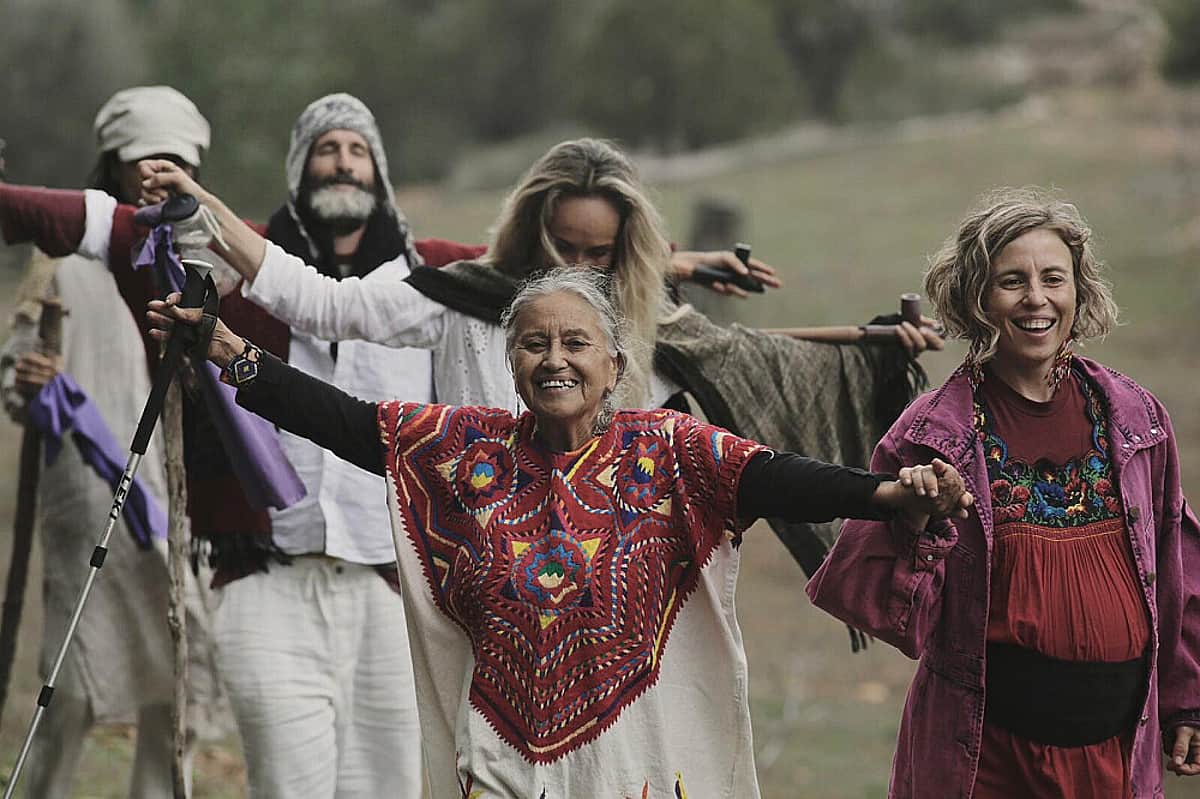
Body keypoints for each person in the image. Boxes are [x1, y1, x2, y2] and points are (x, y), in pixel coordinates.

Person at [148, 266, 971, 797]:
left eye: (576, 342)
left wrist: (890, 492)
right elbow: (347, 424)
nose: (555, 360)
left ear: (615, 364)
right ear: (512, 365)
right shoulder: (464, 449)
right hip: (504, 759)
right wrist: (224, 346)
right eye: (534, 344)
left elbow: (779, 477)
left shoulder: (672, 451)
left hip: (640, 765)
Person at [137, 137, 943, 573]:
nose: (581, 269)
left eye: (601, 254)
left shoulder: (642, 318)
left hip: (613, 570)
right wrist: (207, 215)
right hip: (479, 553)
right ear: (532, 226)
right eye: (566, 245)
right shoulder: (454, 295)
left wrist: (872, 358)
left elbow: (743, 374)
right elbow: (324, 306)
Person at [806, 188, 1200, 797]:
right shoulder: (934, 436)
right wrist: (917, 519)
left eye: (1053, 278)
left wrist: (1186, 701)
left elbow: (1178, 572)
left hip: (1114, 760)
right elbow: (869, 602)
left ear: (1079, 290)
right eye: (1011, 281)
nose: (1036, 299)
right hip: (987, 762)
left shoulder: (1136, 418)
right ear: (976, 298)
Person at [0, 85, 224, 799]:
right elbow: (18, 364)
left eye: (174, 159)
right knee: (71, 684)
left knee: (172, 677)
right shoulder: (65, 259)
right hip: (88, 493)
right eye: (143, 157)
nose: (158, 170)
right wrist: (30, 380)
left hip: (177, 499)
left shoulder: (206, 262)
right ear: (115, 165)